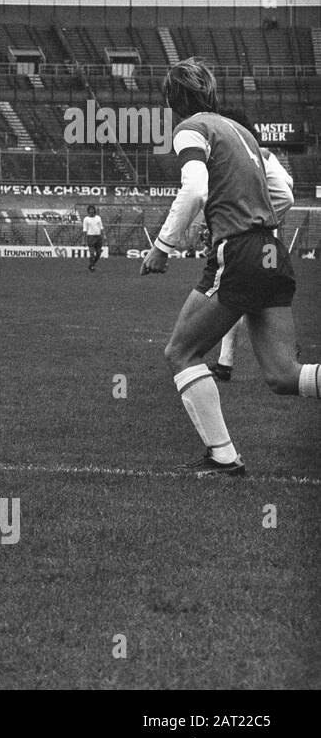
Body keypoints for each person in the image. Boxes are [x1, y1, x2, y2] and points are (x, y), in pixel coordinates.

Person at [140, 59, 317, 476]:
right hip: (272, 250)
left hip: (238, 253)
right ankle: (222, 457)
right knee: (283, 375)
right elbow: (285, 194)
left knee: (181, 353)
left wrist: (163, 247)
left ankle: (223, 457)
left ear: (172, 101)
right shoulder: (245, 135)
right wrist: (254, 219)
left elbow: (196, 188)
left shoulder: (191, 129)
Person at [206, 111, 295, 381]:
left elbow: (286, 193)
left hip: (249, 241)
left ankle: (285, 354)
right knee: (249, 297)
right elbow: (287, 184)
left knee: (244, 296)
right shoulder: (264, 154)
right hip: (266, 242)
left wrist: (253, 218)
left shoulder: (252, 154)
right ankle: (226, 363)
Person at [82, 204, 104, 271]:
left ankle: (92, 264)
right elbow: (85, 230)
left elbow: (101, 227)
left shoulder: (98, 218)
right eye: (90, 210)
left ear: (94, 211)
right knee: (92, 254)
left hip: (98, 237)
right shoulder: (86, 219)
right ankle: (92, 267)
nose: (91, 211)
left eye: (92, 210)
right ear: (88, 211)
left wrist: (104, 236)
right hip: (90, 237)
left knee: (98, 253)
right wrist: (83, 240)